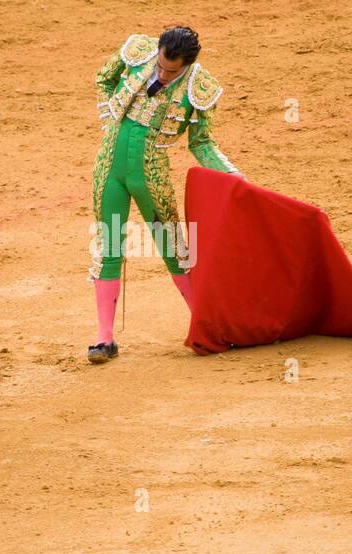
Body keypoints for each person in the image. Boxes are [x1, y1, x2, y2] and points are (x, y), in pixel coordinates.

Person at [86, 26, 242, 364]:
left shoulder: (199, 87)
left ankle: (206, 327)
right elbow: (103, 79)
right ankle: (104, 340)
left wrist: (231, 175)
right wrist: (107, 120)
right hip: (108, 166)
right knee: (107, 246)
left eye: (171, 71)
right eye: (160, 65)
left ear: (188, 64)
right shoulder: (139, 50)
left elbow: (200, 143)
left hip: (150, 174)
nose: (162, 73)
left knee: (174, 248)